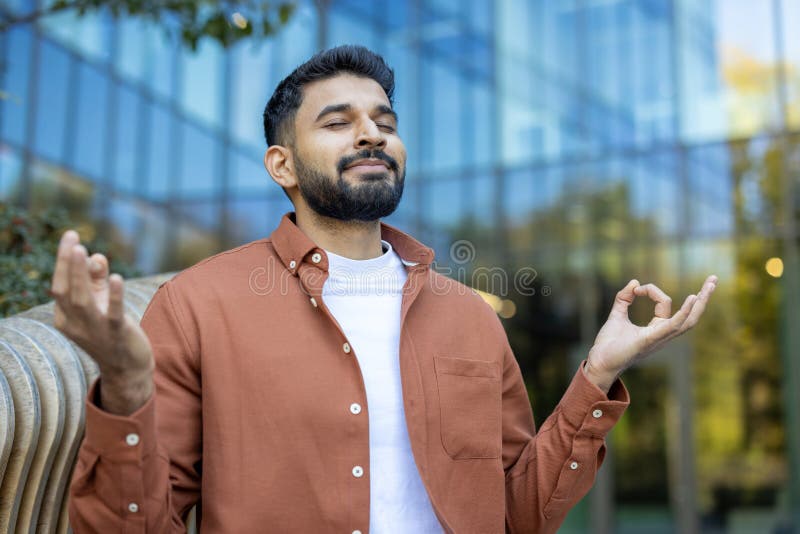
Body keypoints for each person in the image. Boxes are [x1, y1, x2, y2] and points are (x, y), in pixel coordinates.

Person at [52, 45, 717, 533]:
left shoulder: (470, 317)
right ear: (282, 165)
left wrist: (597, 376)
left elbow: (517, 516)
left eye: (386, 122)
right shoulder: (199, 305)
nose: (372, 133)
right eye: (337, 122)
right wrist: (126, 387)